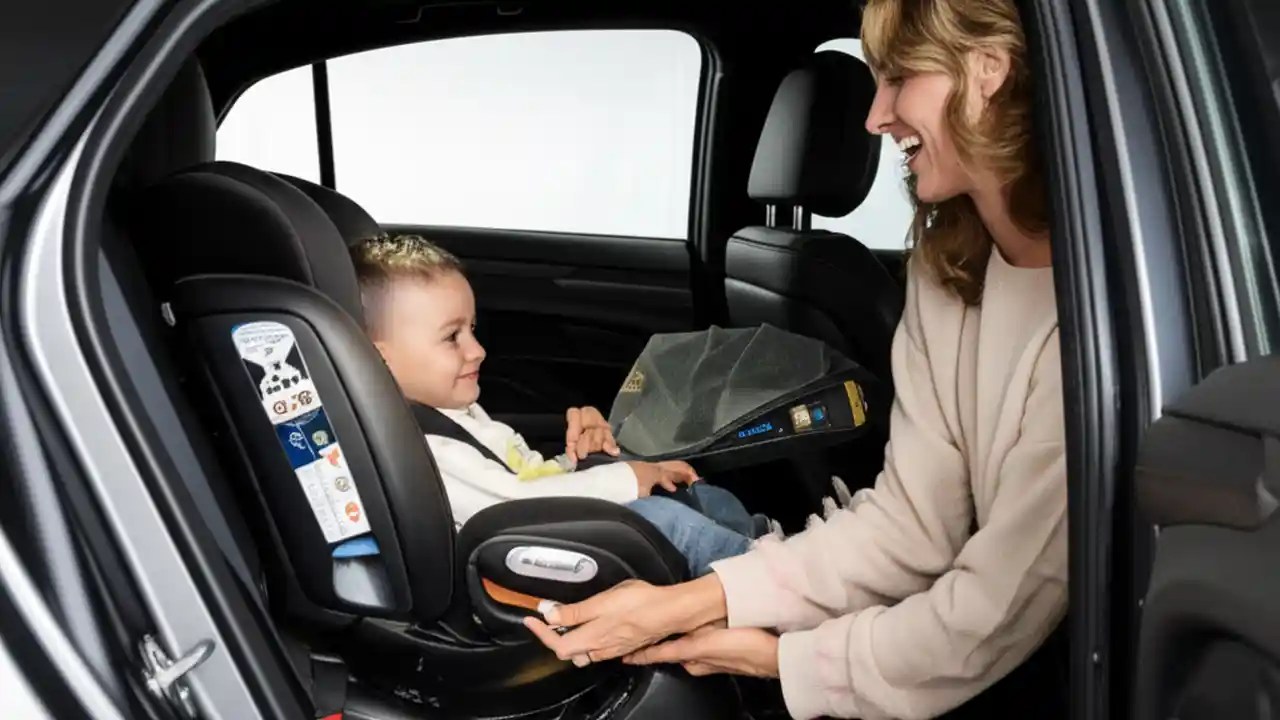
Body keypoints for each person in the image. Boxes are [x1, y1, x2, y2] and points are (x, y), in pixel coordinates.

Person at [523, 0, 1067, 718]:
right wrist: (691, 603)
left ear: (987, 72)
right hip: (942, 634)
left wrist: (778, 657)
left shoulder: (1092, 311)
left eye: (898, 78)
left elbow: (1000, 608)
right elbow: (910, 527)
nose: (875, 117)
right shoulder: (947, 274)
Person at [350, 233, 780, 577]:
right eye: (452, 337)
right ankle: (770, 580)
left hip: (540, 520)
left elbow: (526, 472)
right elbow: (512, 504)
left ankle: (769, 545)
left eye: (473, 329)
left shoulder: (453, 414)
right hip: (525, 556)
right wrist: (625, 478)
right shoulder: (429, 450)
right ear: (381, 358)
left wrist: (578, 459)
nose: (477, 350)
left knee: (697, 493)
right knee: (665, 519)